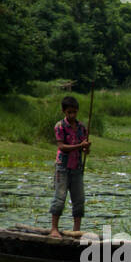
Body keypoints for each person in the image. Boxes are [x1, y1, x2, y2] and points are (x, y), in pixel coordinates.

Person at [49, 96, 89, 237]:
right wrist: (80, 146)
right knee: (60, 198)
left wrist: (85, 149)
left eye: (74, 112)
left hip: (76, 167)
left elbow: (84, 149)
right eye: (69, 112)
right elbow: (62, 146)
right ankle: (54, 229)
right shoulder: (60, 126)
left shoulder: (82, 128)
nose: (72, 115)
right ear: (64, 112)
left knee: (79, 200)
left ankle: (76, 231)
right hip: (63, 167)